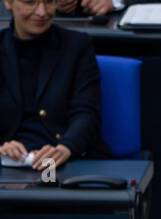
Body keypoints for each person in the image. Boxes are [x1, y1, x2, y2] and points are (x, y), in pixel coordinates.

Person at [0, 0, 104, 170]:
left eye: (49, 2)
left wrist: (66, 147)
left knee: (48, 189)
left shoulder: (76, 46)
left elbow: (86, 112)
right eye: (30, 2)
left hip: (62, 161)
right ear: (8, 3)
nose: (42, 12)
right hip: (8, 165)